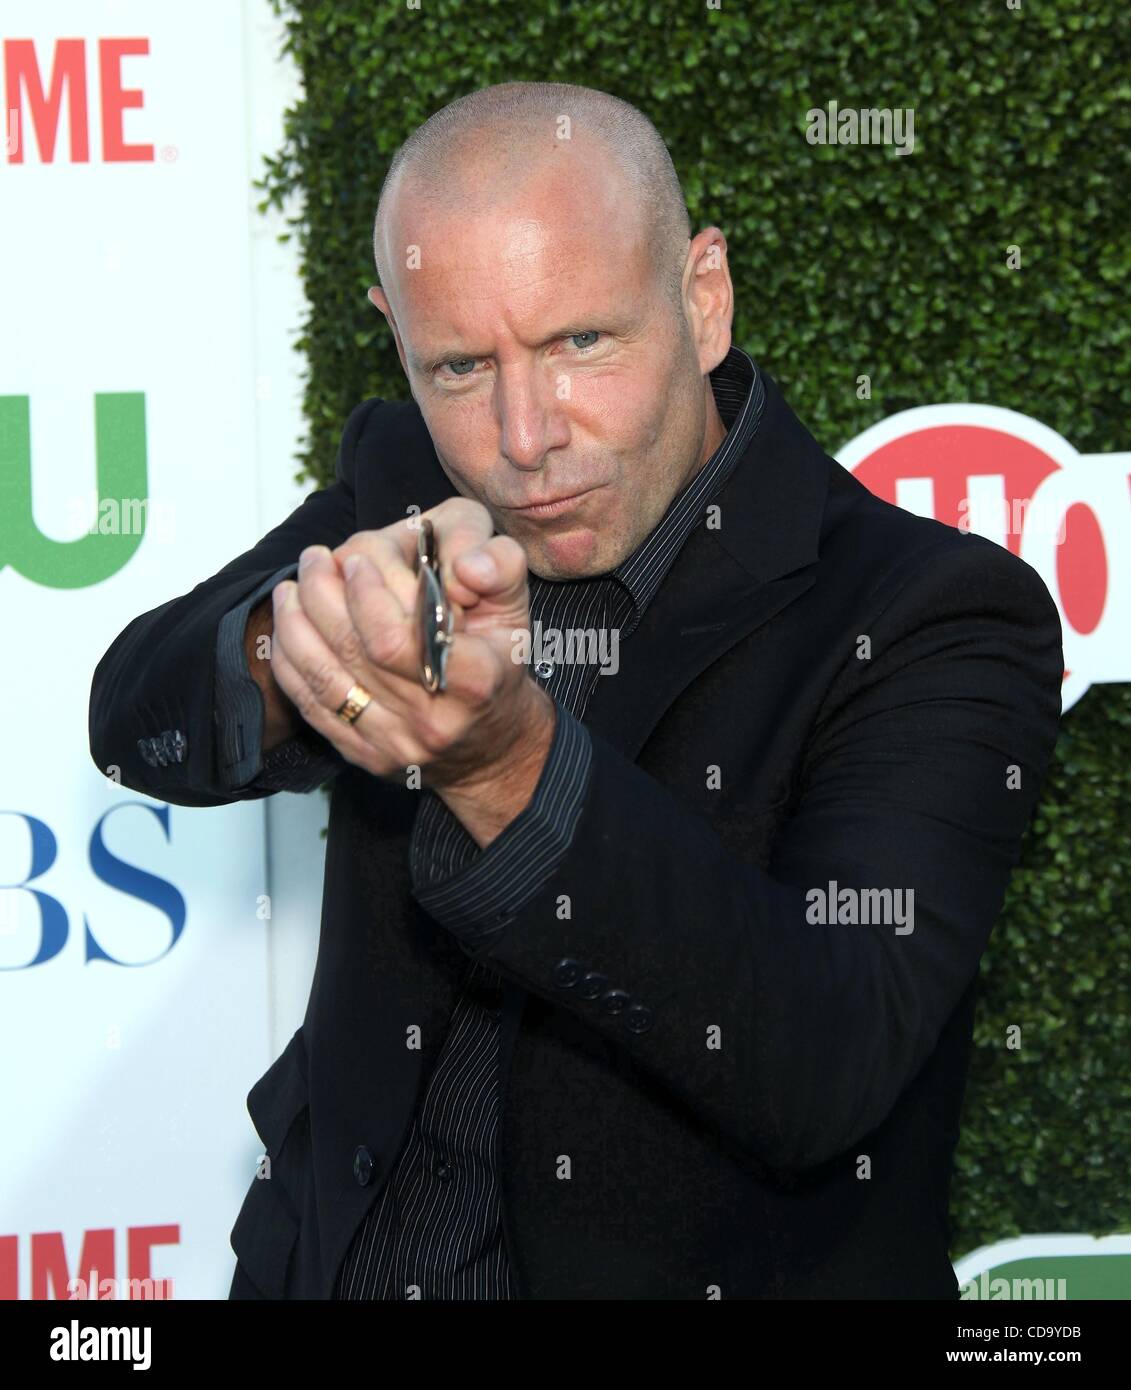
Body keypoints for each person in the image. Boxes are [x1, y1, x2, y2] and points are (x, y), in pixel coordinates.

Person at [87, 80, 1063, 1299]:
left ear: (703, 299)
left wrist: (505, 766)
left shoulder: (931, 613)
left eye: (580, 344)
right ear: (396, 335)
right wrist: (310, 649)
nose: (523, 436)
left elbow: (825, 1060)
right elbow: (133, 719)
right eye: (459, 366)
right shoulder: (406, 479)